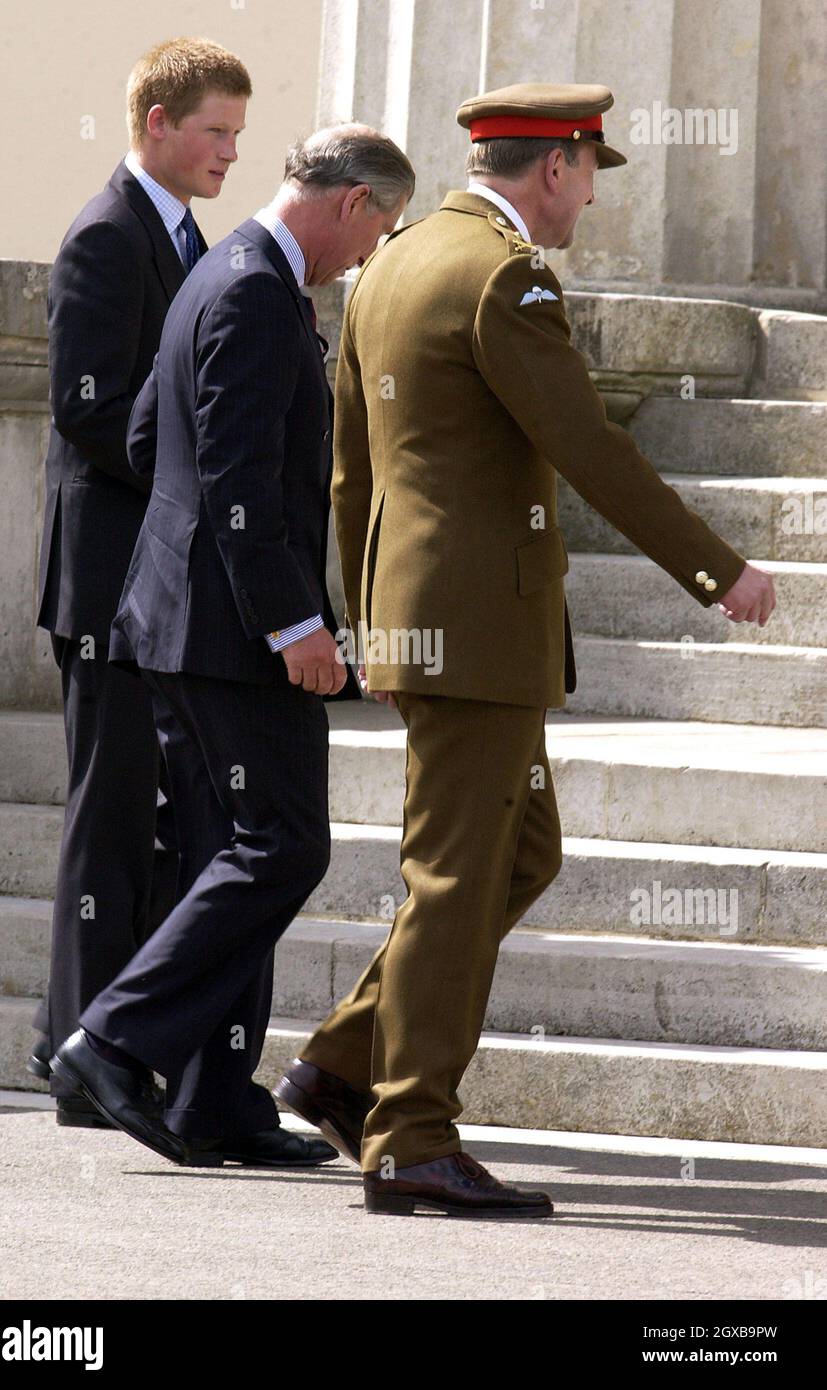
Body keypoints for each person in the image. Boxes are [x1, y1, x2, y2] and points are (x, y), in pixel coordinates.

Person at [274, 82, 777, 1218]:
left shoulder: (390, 263)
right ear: (552, 167)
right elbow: (589, 448)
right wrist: (717, 571)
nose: (588, 199)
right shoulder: (506, 274)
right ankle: (409, 1132)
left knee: (515, 852)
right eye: (588, 175)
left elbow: (349, 466)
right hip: (478, 637)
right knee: (456, 875)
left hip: (420, 623)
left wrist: (369, 617)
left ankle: (344, 1061)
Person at [50, 126, 415, 1167]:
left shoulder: (224, 267)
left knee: (230, 848)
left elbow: (145, 440)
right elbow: (237, 477)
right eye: (377, 231)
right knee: (281, 845)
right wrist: (293, 624)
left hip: (186, 621)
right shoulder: (256, 288)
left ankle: (215, 1095)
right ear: (351, 204)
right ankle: (112, 1039)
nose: (369, 255)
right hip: (229, 636)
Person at [31, 38, 255, 1131]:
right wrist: (192, 482)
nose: (227, 153)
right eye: (213, 131)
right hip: (105, 581)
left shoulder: (177, 232)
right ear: (157, 122)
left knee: (150, 818)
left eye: (236, 136)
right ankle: (78, 1053)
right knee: (108, 818)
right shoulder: (107, 235)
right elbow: (84, 404)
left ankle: (99, 1038)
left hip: (149, 583)